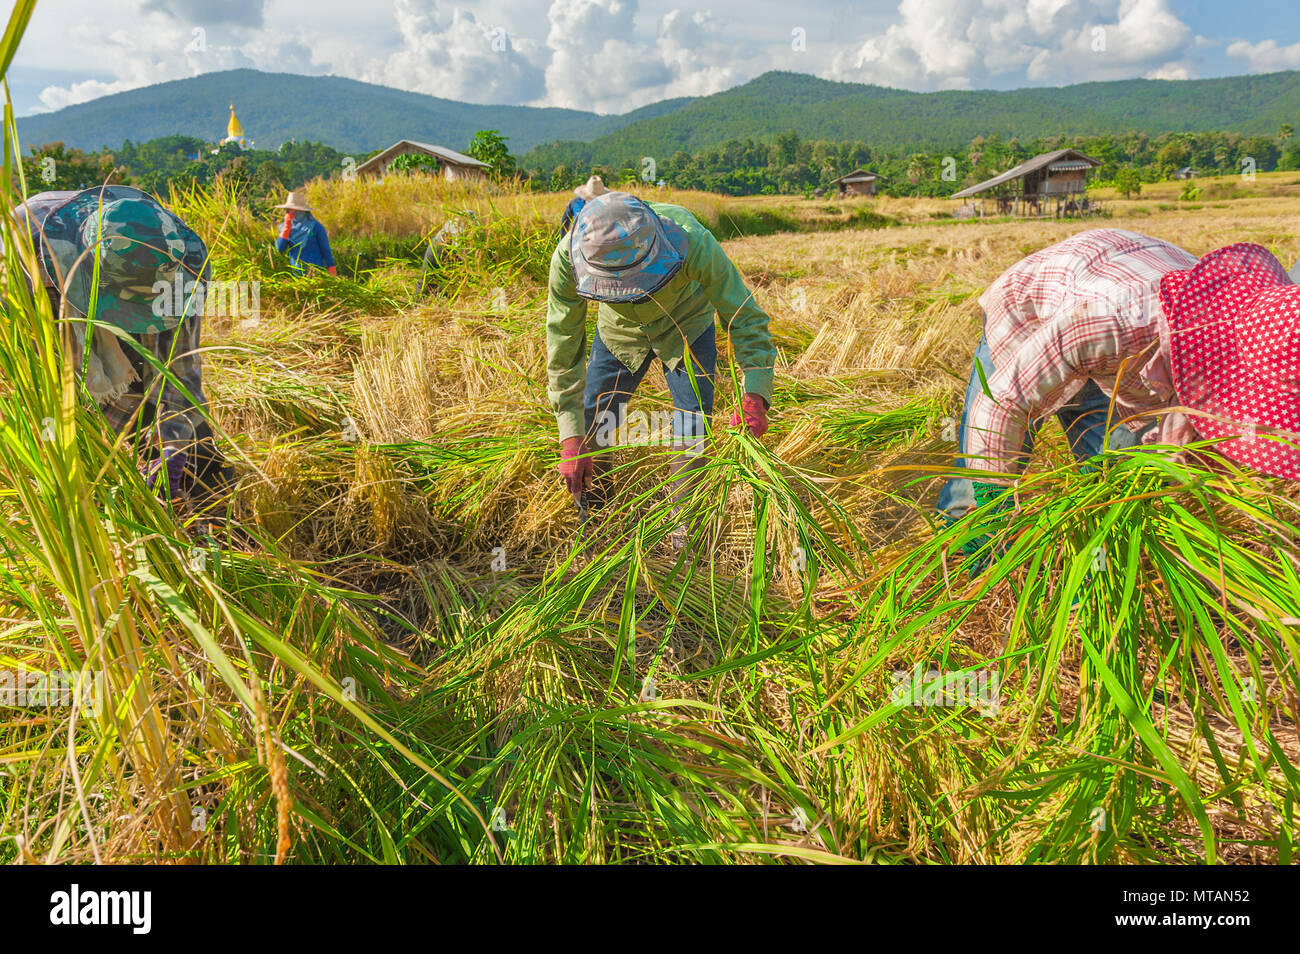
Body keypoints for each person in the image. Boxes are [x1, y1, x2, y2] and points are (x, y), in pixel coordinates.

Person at [940, 227, 1300, 539]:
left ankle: (1093, 560)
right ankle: (961, 562)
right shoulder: (1110, 322)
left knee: (1110, 479)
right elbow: (1003, 401)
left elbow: (1210, 407)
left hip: (1118, 342)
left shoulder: (1251, 324)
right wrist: (992, 502)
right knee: (977, 483)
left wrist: (1178, 448)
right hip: (1034, 314)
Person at [547, 191, 776, 531]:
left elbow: (742, 314)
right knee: (593, 421)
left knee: (692, 428)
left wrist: (755, 394)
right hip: (619, 332)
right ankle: (596, 524)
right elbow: (563, 342)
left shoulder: (692, 240)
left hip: (686, 326)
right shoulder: (568, 258)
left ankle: (683, 533)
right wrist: (569, 436)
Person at [13, 184, 228, 500]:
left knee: (182, 432)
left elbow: (179, 371)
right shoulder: (21, 247)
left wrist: (174, 447)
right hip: (45, 300)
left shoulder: (171, 260)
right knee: (67, 422)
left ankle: (212, 512)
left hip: (120, 285)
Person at [273, 191, 336, 275]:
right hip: (296, 276)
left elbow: (326, 251)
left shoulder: (316, 227)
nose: (292, 213)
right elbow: (279, 249)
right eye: (289, 210)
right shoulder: (285, 227)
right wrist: (286, 228)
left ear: (303, 211)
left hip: (316, 275)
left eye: (296, 210)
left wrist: (332, 271)